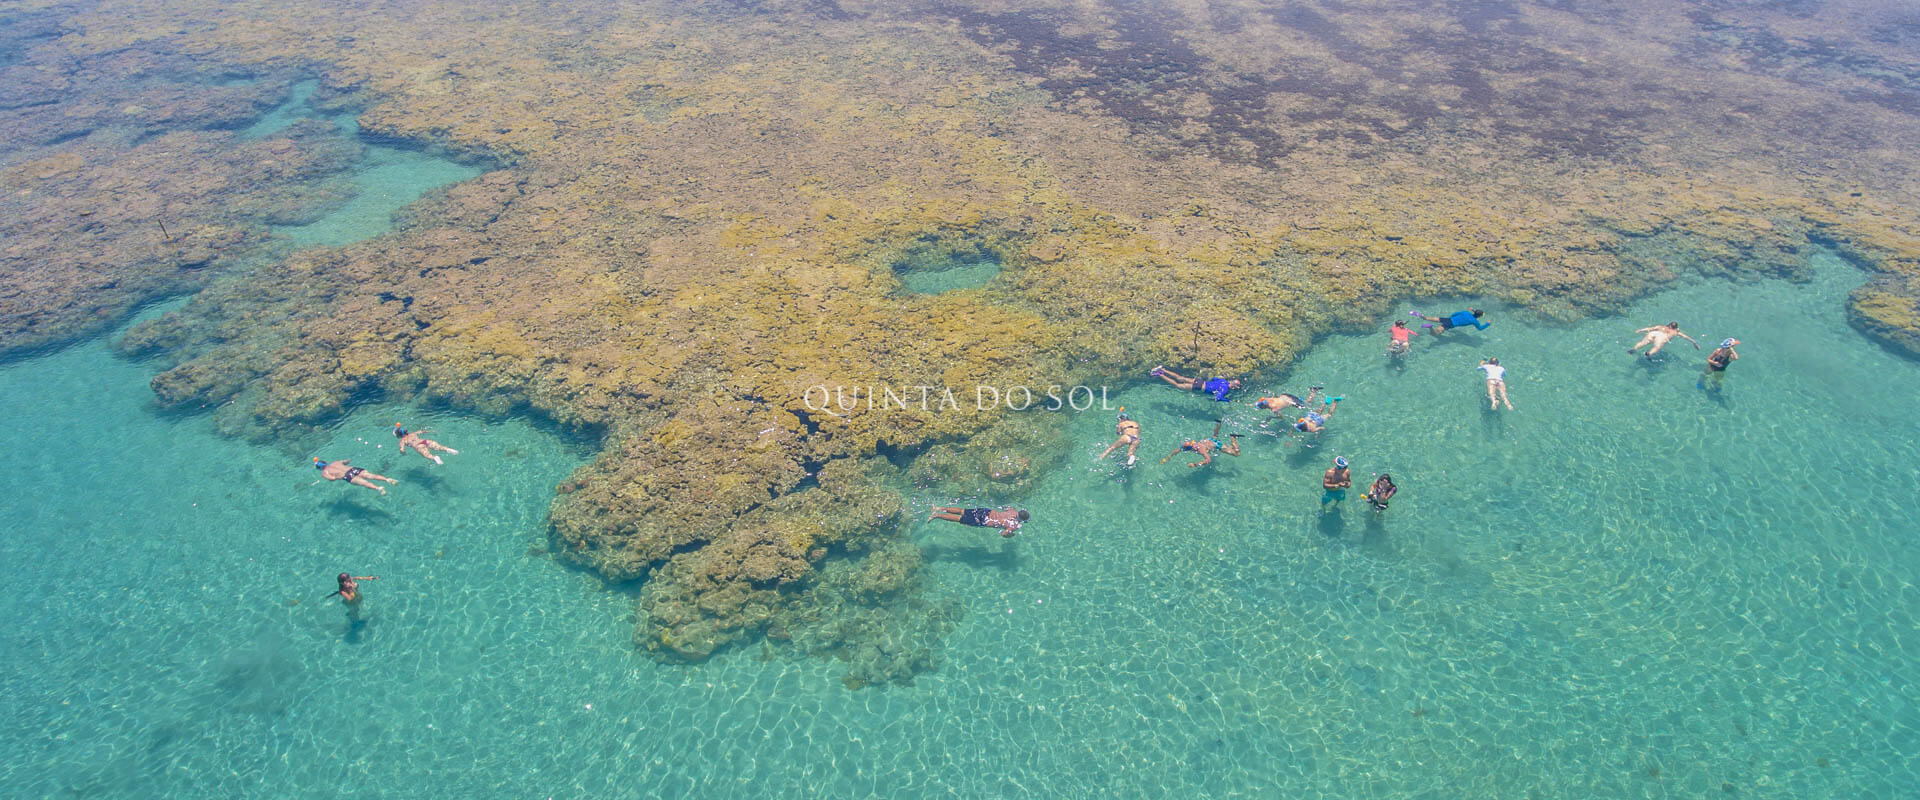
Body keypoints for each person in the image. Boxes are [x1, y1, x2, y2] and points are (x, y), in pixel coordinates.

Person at [1160, 419, 1240, 467]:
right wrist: (1167, 458)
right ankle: (1219, 424)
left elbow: (1208, 460)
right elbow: (1177, 450)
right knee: (1215, 435)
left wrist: (1195, 464)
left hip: (1216, 445)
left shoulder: (1201, 450)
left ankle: (1233, 437)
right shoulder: (1190, 444)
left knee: (1236, 454)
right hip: (1209, 441)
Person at [1149, 366, 1242, 401]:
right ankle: (1160, 375)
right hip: (1200, 388)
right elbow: (1218, 398)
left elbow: (1214, 378)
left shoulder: (1223, 381)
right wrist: (1226, 400)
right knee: (1177, 385)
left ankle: (1163, 369)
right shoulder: (1225, 389)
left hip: (1200, 381)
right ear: (1234, 386)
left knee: (1180, 378)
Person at [315, 457, 398, 495]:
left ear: (320, 468)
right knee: (371, 475)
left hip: (347, 475)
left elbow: (332, 478)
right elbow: (347, 461)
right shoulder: (335, 462)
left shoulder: (325, 472)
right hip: (354, 469)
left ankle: (378, 488)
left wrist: (337, 477)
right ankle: (387, 479)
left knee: (365, 483)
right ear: (325, 462)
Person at [930, 506, 1029, 537]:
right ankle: (936, 515)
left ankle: (938, 508)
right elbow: (1004, 534)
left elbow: (1007, 507)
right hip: (984, 520)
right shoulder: (1014, 525)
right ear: (1021, 520)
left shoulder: (1013, 511)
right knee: (958, 519)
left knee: (961, 511)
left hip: (986, 511)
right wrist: (1011, 534)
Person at [393, 423, 459, 465]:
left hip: (418, 445)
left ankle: (435, 458)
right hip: (424, 441)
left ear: (398, 436)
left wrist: (403, 452)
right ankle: (448, 449)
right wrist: (432, 431)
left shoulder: (402, 440)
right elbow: (422, 431)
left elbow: (402, 449)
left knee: (427, 455)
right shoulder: (413, 433)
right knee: (439, 447)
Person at [1628, 321, 1699, 360]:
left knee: (1643, 343)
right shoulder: (1675, 332)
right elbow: (1685, 337)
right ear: (1676, 328)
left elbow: (1650, 328)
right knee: (1656, 347)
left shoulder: (1661, 326)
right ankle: (1648, 354)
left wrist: (1640, 330)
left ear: (1669, 325)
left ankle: (1634, 349)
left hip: (1654, 333)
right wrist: (1694, 342)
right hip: (1662, 337)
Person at [1415, 308, 1488, 335]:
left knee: (1431, 318)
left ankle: (1423, 316)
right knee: (1435, 334)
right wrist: (1487, 324)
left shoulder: (1466, 312)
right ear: (1479, 316)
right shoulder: (1474, 321)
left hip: (1449, 319)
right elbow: (1480, 328)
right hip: (1451, 324)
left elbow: (1454, 314)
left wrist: (1473, 310)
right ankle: (1430, 327)